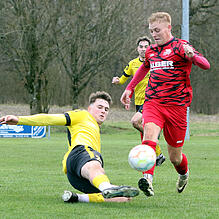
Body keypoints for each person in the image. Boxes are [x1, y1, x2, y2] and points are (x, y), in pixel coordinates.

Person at [120, 12, 210, 197]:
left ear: (169, 28)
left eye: (157, 30)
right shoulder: (151, 51)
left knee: (175, 158)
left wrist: (192, 56)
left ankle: (184, 174)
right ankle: (148, 180)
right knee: (149, 137)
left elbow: (206, 65)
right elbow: (145, 67)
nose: (154, 34)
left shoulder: (181, 47)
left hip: (177, 107)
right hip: (154, 103)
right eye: (151, 31)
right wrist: (129, 88)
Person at [0, 91, 139, 203]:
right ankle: (107, 187)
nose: (103, 111)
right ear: (89, 108)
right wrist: (19, 120)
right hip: (81, 153)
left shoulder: (94, 127)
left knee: (124, 198)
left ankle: (76, 197)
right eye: (100, 107)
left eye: (107, 109)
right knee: (95, 166)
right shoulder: (82, 115)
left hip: (74, 176)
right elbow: (50, 119)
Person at [112, 36, 166, 167]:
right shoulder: (132, 64)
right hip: (138, 102)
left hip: (151, 101)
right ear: (137, 48)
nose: (143, 49)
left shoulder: (156, 61)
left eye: (146, 46)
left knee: (135, 122)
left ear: (150, 47)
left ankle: (154, 143)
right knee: (143, 134)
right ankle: (155, 155)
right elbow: (124, 79)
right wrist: (117, 80)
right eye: (141, 46)